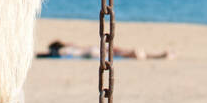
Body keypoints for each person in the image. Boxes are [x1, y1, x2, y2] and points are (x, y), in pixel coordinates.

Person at [39, 39, 174, 60]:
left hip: (92, 52)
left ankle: (157, 56)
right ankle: (157, 56)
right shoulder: (69, 49)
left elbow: (57, 53)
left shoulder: (67, 50)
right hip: (93, 51)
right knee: (120, 52)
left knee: (119, 52)